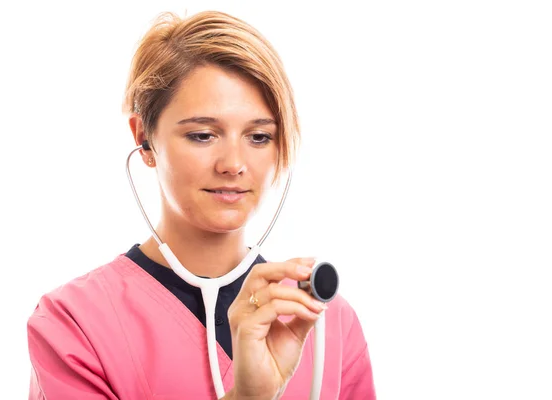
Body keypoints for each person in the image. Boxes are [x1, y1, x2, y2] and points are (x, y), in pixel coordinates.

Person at [27, 10, 376, 400]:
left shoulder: (327, 321)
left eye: (259, 137)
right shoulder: (74, 324)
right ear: (145, 139)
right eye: (203, 135)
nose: (233, 164)